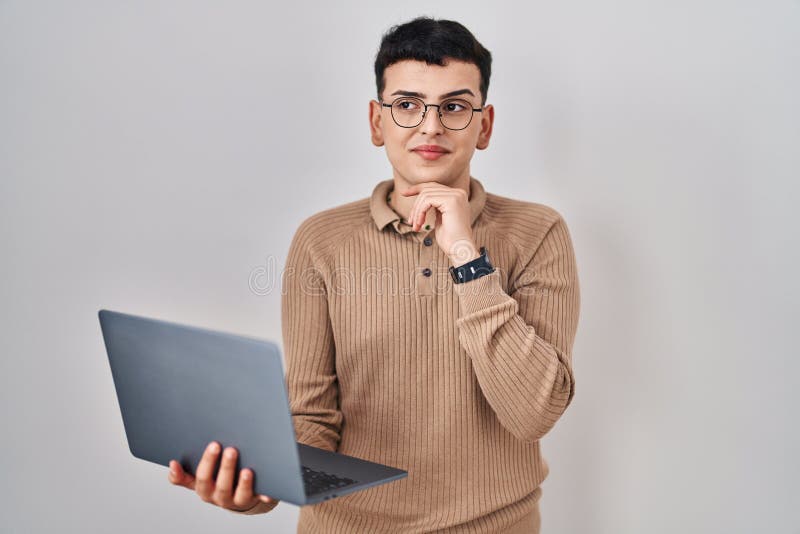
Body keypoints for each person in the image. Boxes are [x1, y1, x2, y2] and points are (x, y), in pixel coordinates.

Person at [168, 16, 580, 533]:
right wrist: (256, 491)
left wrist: (466, 256)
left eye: (454, 107)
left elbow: (533, 413)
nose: (430, 126)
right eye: (407, 105)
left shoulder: (538, 232)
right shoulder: (322, 240)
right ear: (376, 122)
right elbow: (312, 419)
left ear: (485, 125)